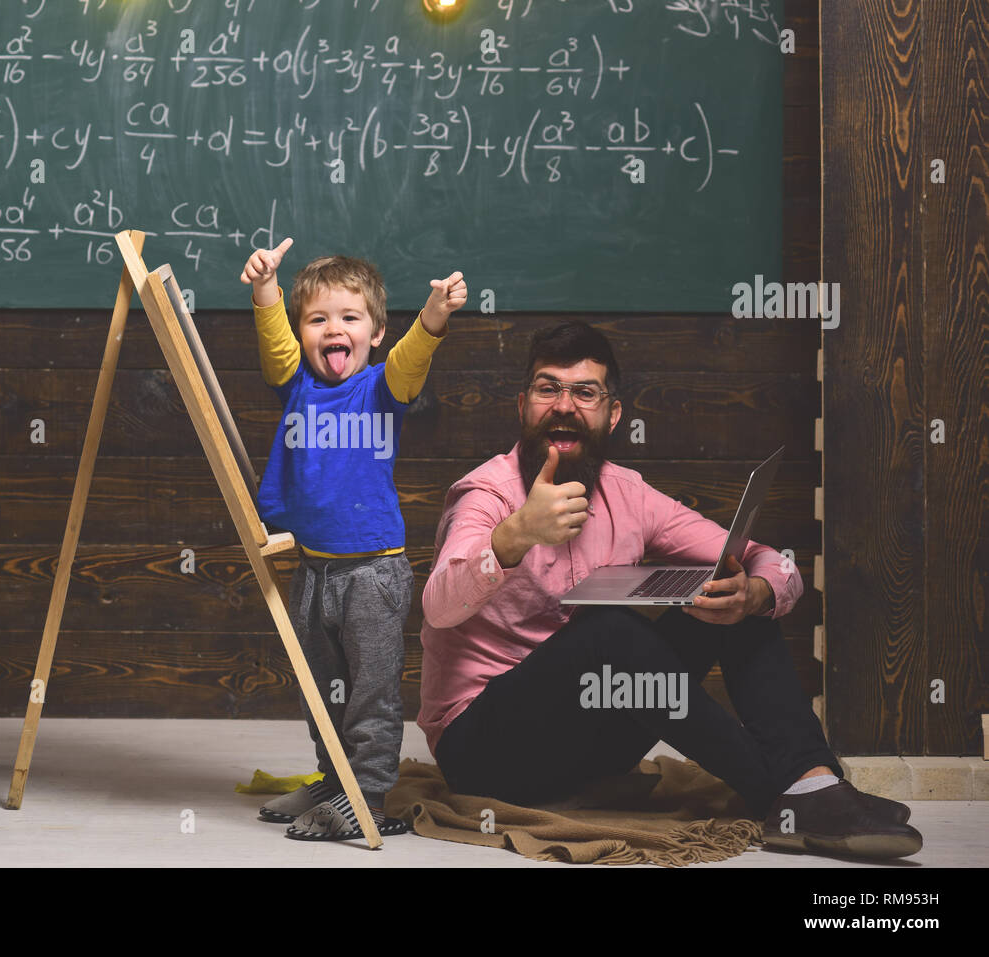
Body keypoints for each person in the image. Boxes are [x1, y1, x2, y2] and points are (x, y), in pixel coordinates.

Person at [416, 320, 922, 860]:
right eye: (548, 389)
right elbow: (438, 606)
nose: (564, 406)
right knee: (609, 631)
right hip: (486, 752)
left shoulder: (628, 494)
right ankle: (783, 796)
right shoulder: (487, 494)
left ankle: (814, 781)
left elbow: (768, 560)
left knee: (732, 593)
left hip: (588, 747)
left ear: (612, 415)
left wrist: (757, 592)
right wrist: (514, 536)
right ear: (523, 406)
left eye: (584, 392)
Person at [241, 237, 467, 841]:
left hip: (372, 573)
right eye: (317, 319)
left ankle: (365, 794)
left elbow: (412, 358)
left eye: (348, 318)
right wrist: (266, 287)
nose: (332, 329)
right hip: (313, 570)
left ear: (374, 334)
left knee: (370, 693)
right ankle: (333, 778)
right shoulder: (296, 386)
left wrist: (435, 316)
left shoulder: (379, 389)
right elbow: (274, 346)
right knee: (321, 692)